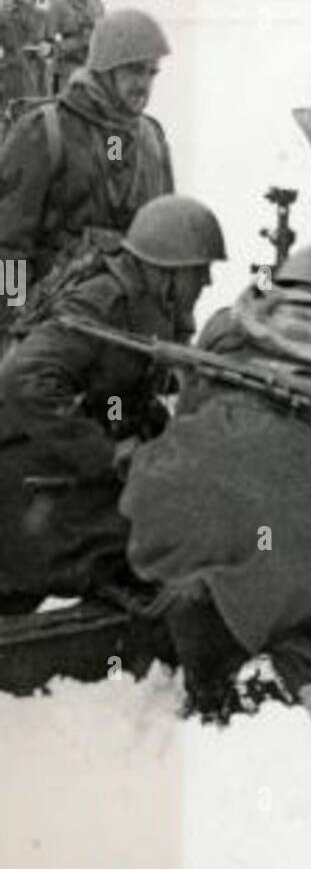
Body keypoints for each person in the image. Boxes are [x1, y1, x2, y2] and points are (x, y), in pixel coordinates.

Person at [121, 243, 311, 718]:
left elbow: (188, 406)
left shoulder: (229, 322)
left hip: (184, 482)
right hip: (292, 495)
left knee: (216, 533)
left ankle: (196, 594)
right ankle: (278, 657)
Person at [0, 196, 224, 614]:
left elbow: (123, 393)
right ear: (169, 272)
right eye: (201, 270)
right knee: (154, 525)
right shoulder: (103, 301)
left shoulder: (142, 302)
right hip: (24, 464)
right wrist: (105, 455)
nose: (208, 283)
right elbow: (24, 380)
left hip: (48, 456)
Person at [0, 8, 174, 346]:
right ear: (104, 70)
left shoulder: (151, 138)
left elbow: (168, 247)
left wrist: (176, 331)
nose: (145, 84)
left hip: (125, 334)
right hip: (49, 331)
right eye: (135, 70)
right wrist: (13, 321)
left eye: (152, 73)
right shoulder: (44, 131)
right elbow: (9, 245)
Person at [45, 0, 105, 92]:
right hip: (67, 70)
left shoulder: (96, 3)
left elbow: (104, 34)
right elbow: (48, 40)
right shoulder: (58, 3)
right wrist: (65, 47)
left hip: (92, 69)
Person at [0, 0, 52, 111]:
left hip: (38, 76)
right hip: (11, 77)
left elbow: (53, 44)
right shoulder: (3, 16)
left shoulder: (42, 15)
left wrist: (48, 49)